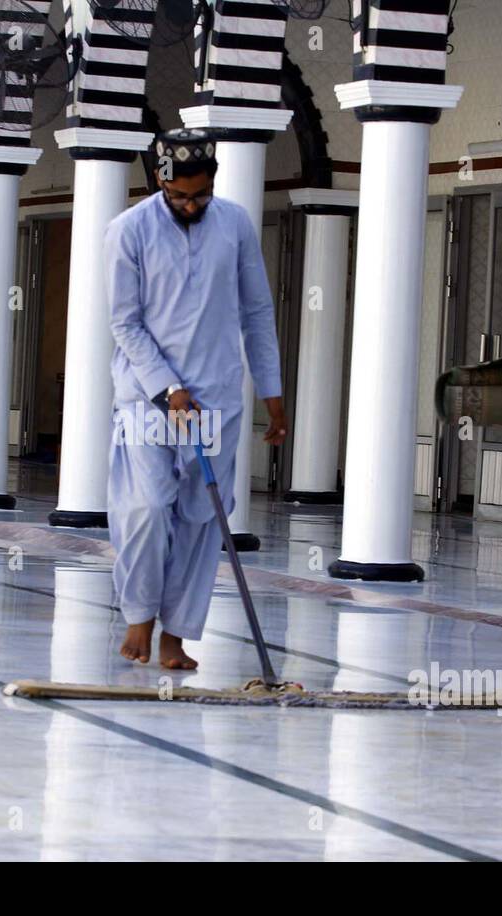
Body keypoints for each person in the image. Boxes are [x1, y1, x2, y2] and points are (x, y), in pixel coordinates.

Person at [104, 128, 286, 669]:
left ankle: (175, 635)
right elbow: (125, 322)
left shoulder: (233, 223)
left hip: (216, 400)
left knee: (201, 517)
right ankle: (139, 612)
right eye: (181, 196)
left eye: (201, 194)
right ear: (159, 181)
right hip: (147, 398)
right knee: (147, 505)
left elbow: (256, 313)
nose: (192, 204)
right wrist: (167, 385)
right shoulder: (128, 230)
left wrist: (272, 394)